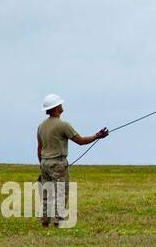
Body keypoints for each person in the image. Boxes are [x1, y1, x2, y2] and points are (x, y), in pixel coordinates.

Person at [36, 94, 107, 228]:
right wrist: (98, 136)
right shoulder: (63, 125)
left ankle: (45, 222)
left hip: (45, 163)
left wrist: (42, 165)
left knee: (46, 194)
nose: (62, 106)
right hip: (58, 163)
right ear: (56, 107)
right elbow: (80, 141)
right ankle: (58, 222)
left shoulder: (41, 126)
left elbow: (39, 148)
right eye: (60, 104)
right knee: (61, 192)